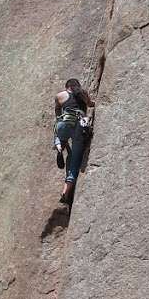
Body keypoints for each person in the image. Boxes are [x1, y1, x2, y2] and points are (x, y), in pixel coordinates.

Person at [54, 77, 94, 206]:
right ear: (77, 86)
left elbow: (57, 111)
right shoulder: (82, 93)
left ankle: (60, 146)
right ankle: (66, 192)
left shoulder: (60, 95)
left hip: (65, 123)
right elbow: (90, 104)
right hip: (79, 126)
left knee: (57, 129)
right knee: (75, 161)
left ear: (67, 86)